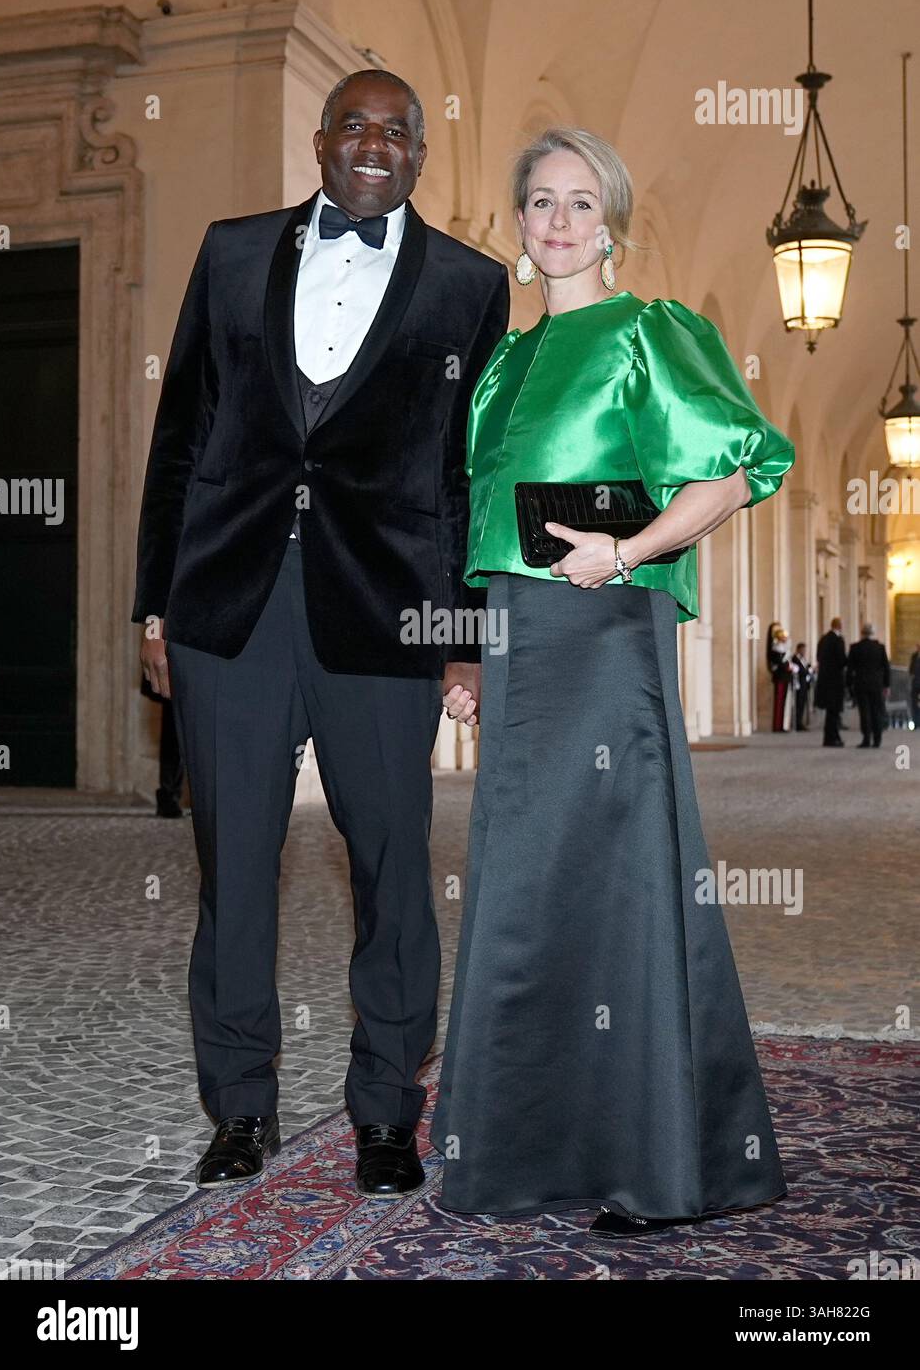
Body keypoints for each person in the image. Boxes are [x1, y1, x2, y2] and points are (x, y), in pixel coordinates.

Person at [133, 70, 509, 1196]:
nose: (375, 143)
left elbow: (470, 475)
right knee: (233, 867)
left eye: (398, 131)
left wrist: (464, 632)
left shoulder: (471, 283)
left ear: (420, 156)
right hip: (229, 603)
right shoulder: (234, 250)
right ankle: (240, 1110)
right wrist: (157, 599)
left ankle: (387, 1110)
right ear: (320, 141)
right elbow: (180, 430)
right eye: (356, 125)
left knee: (394, 868)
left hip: (389, 615)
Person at [432, 128, 795, 1236]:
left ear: (613, 224)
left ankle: (660, 1161)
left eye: (581, 203)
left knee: (623, 876)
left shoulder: (651, 332)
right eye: (539, 202)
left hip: (603, 627)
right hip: (519, 632)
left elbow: (740, 468)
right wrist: (472, 651)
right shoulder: (503, 361)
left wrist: (626, 554)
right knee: (526, 882)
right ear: (520, 225)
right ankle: (530, 1153)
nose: (558, 221)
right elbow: (485, 518)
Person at [139, 672, 186, 817]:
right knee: (173, 731)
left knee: (177, 734)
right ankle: (169, 795)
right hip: (175, 663)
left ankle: (171, 795)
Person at [847, 622, 891, 748]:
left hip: (861, 684)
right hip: (876, 684)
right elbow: (886, 667)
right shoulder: (880, 647)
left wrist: (849, 684)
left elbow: (850, 668)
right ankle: (877, 739)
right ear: (872, 633)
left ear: (862, 633)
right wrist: (887, 685)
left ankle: (866, 738)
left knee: (864, 712)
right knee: (876, 711)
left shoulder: (855, 647)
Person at [815, 618, 847, 747]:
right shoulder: (838, 640)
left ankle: (832, 737)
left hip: (824, 679)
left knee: (830, 711)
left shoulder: (823, 639)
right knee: (834, 711)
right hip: (835, 681)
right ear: (839, 626)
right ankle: (831, 738)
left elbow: (818, 657)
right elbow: (841, 660)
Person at [767, 624, 793, 732]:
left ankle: (780, 725)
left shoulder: (783, 648)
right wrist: (787, 666)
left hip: (784, 677)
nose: (785, 639)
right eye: (783, 637)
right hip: (780, 677)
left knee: (782, 702)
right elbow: (779, 663)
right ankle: (777, 726)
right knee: (778, 702)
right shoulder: (775, 649)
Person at [790, 641, 813, 731]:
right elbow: (800, 671)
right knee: (798, 704)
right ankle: (798, 723)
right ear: (799, 649)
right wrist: (808, 671)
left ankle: (800, 722)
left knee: (802, 704)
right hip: (798, 684)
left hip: (804, 684)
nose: (804, 651)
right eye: (803, 649)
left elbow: (805, 667)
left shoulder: (803, 658)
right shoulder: (795, 658)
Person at [908, 643, 920, 729]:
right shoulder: (914, 656)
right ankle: (916, 722)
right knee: (914, 703)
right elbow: (911, 670)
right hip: (915, 683)